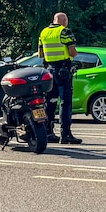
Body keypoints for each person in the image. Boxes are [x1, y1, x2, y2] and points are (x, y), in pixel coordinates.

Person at [38, 12, 81, 145]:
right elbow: (72, 52)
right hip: (63, 71)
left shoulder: (44, 32)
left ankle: (48, 132)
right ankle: (65, 134)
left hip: (49, 71)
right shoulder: (65, 32)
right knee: (65, 102)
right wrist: (74, 54)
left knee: (50, 102)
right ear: (64, 20)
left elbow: (40, 54)